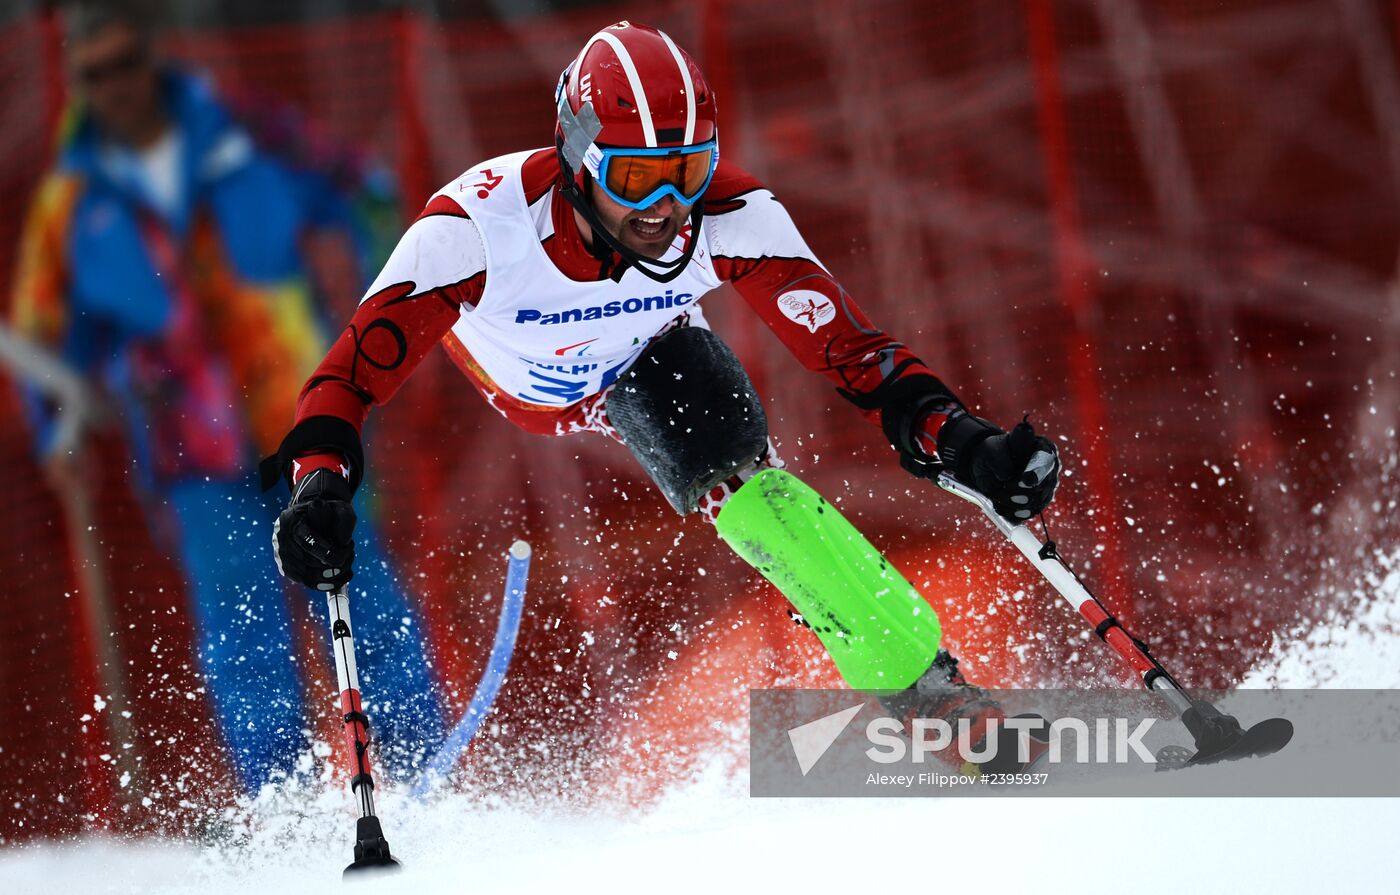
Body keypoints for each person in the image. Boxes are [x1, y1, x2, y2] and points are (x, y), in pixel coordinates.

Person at [264, 22, 1061, 771]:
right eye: (637, 178)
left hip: (646, 354)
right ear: (579, 161)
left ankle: (934, 696)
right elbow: (346, 376)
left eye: (689, 171)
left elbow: (855, 353)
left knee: (748, 487)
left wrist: (957, 437)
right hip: (524, 385)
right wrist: (321, 481)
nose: (666, 210)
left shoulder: (729, 214)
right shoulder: (475, 229)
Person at [11, 0, 443, 793]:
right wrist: (55, 430)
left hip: (304, 415)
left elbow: (368, 192)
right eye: (91, 76)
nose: (112, 88)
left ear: (154, 56)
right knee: (242, 633)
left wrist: (395, 311)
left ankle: (430, 778)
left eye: (123, 65)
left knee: (361, 595)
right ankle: (279, 806)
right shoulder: (72, 202)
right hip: (189, 448)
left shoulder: (248, 131)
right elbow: (42, 340)